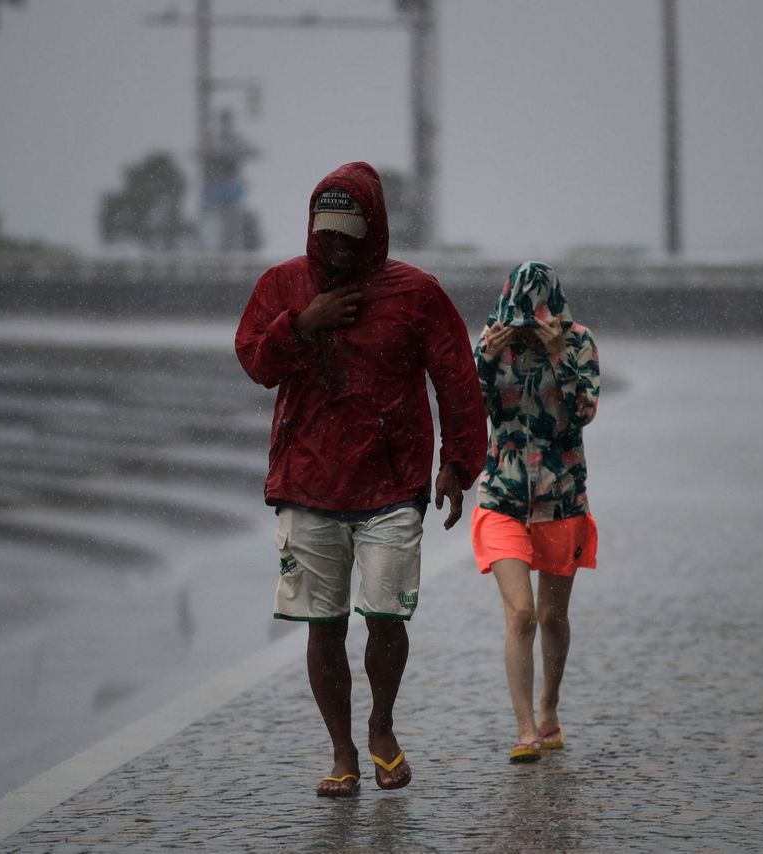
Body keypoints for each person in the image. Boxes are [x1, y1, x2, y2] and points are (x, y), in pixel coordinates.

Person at [235, 162, 487, 797]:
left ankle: (381, 726)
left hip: (391, 483)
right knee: (324, 624)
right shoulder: (282, 285)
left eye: (350, 234)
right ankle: (342, 750)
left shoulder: (417, 293)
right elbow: (257, 364)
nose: (336, 246)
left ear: (373, 230)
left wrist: (457, 464)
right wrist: (303, 323)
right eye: (327, 234)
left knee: (385, 616)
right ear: (312, 229)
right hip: (307, 482)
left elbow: (456, 379)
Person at [470, 261, 601, 764]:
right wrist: (485, 361)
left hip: (561, 496)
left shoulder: (579, 341)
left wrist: (556, 354)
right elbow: (474, 410)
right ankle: (525, 728)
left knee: (552, 615)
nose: (524, 327)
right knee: (521, 614)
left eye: (534, 317)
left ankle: (549, 709)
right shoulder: (493, 339)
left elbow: (584, 412)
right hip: (501, 495)